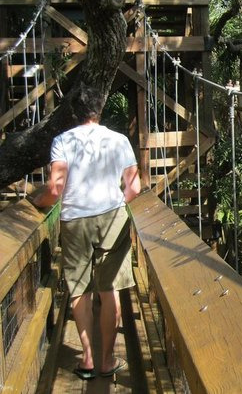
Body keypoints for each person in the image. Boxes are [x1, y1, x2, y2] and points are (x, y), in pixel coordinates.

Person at [33, 87, 141, 380]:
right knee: (109, 291)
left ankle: (89, 359)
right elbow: (134, 188)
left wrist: (36, 202)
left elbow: (55, 189)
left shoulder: (62, 141)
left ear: (74, 112)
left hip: (74, 220)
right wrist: (115, 203)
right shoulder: (119, 141)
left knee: (79, 288)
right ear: (100, 109)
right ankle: (107, 360)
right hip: (112, 219)